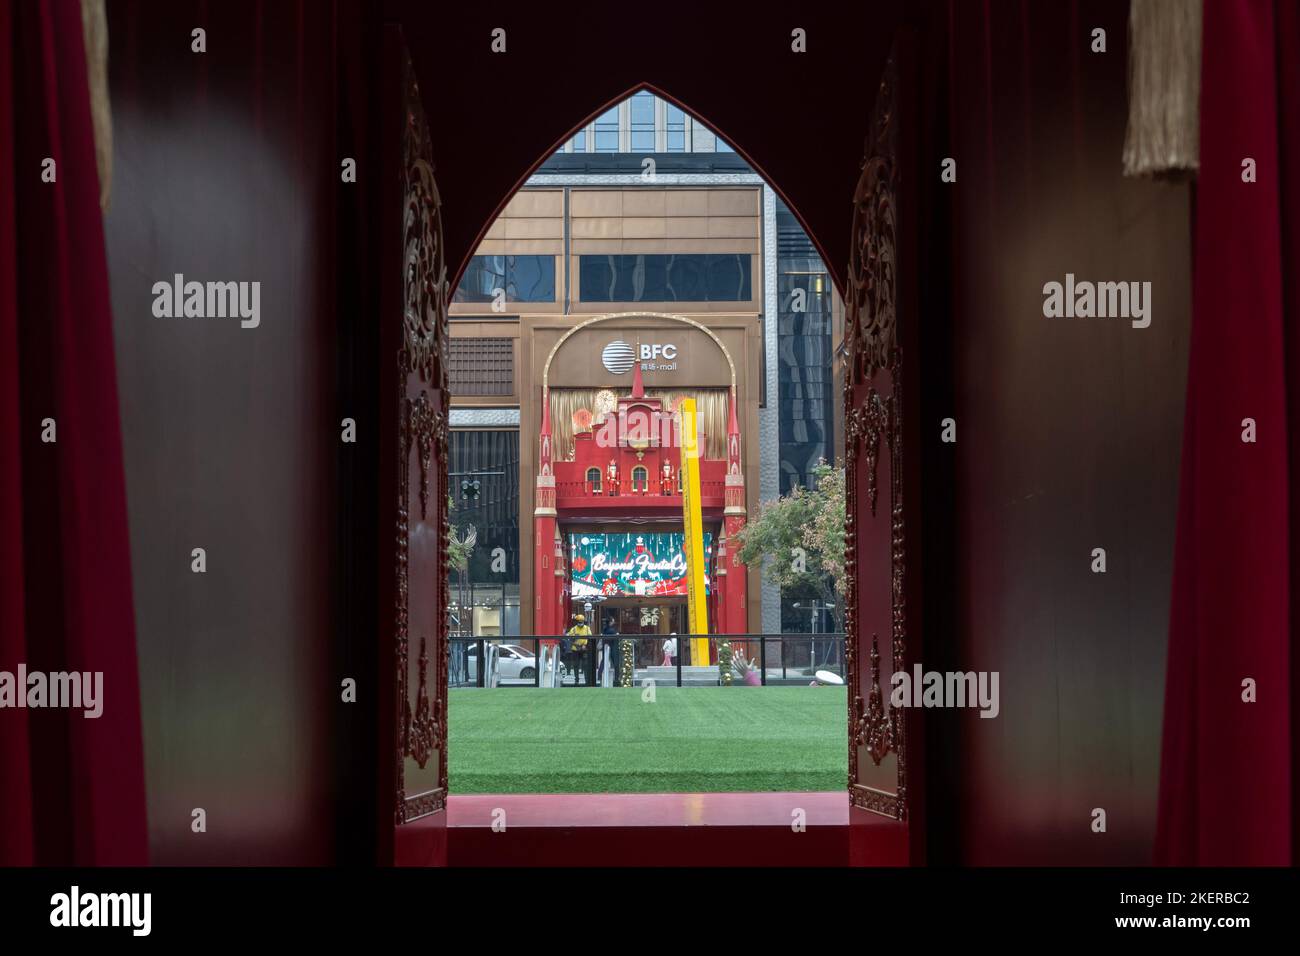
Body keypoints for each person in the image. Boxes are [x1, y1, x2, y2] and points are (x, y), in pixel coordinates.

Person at [565, 613, 592, 685]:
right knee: (576, 665)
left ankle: (587, 680)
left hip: (584, 649)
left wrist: (585, 645)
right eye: (579, 622)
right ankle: (576, 679)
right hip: (575, 649)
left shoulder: (587, 628)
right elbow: (570, 639)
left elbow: (590, 638)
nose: (580, 623)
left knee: (585, 665)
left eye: (582, 622)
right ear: (577, 622)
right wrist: (574, 642)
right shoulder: (573, 629)